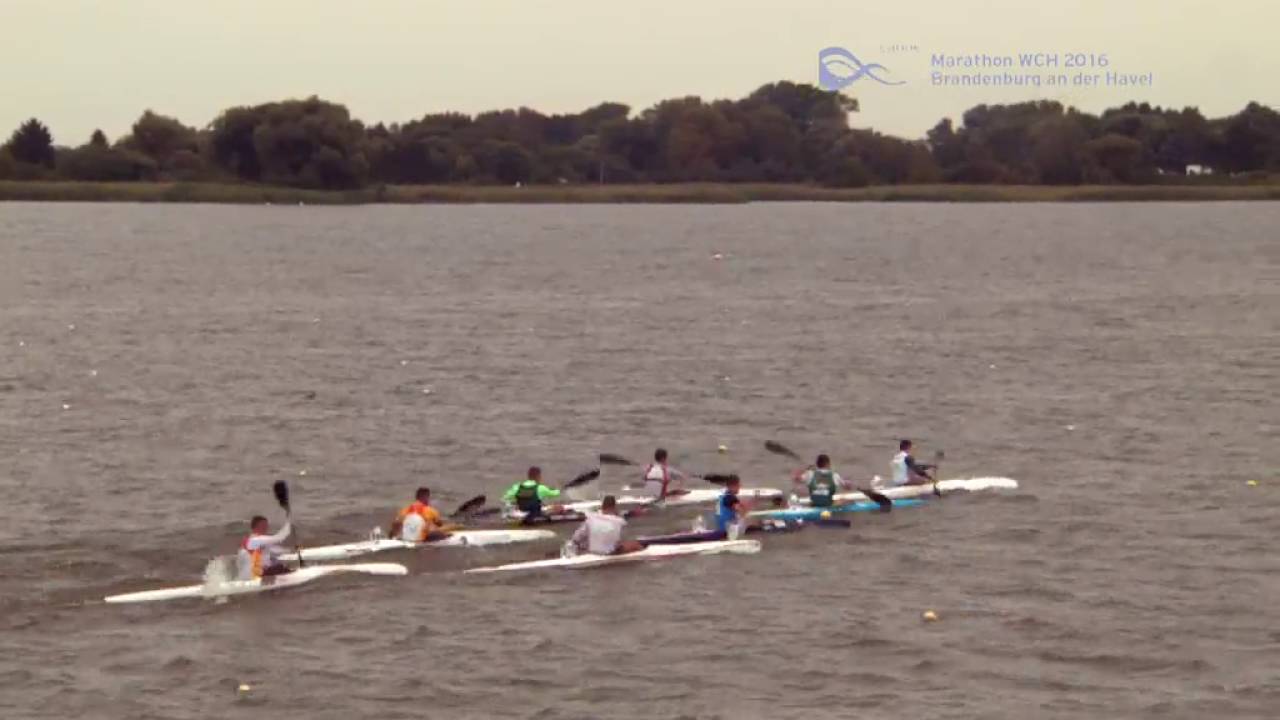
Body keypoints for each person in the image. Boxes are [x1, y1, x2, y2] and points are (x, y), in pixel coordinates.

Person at [570, 496, 643, 555]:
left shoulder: (590, 519)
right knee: (635, 544)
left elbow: (576, 538)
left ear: (602, 506)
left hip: (592, 551)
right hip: (610, 553)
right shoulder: (620, 521)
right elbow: (625, 540)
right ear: (614, 507)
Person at [389, 487, 456, 542]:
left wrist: (391, 537)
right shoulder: (431, 511)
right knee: (440, 532)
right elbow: (440, 525)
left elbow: (396, 524)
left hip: (406, 537)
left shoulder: (404, 510)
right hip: (422, 539)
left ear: (416, 497)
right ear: (426, 497)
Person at [237, 515, 293, 581]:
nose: (266, 527)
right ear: (256, 527)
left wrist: (291, 550)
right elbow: (280, 537)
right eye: (263, 525)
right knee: (278, 567)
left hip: (250, 575)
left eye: (266, 525)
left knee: (276, 563)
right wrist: (289, 521)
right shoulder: (256, 540)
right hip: (253, 577)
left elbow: (275, 550)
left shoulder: (254, 541)